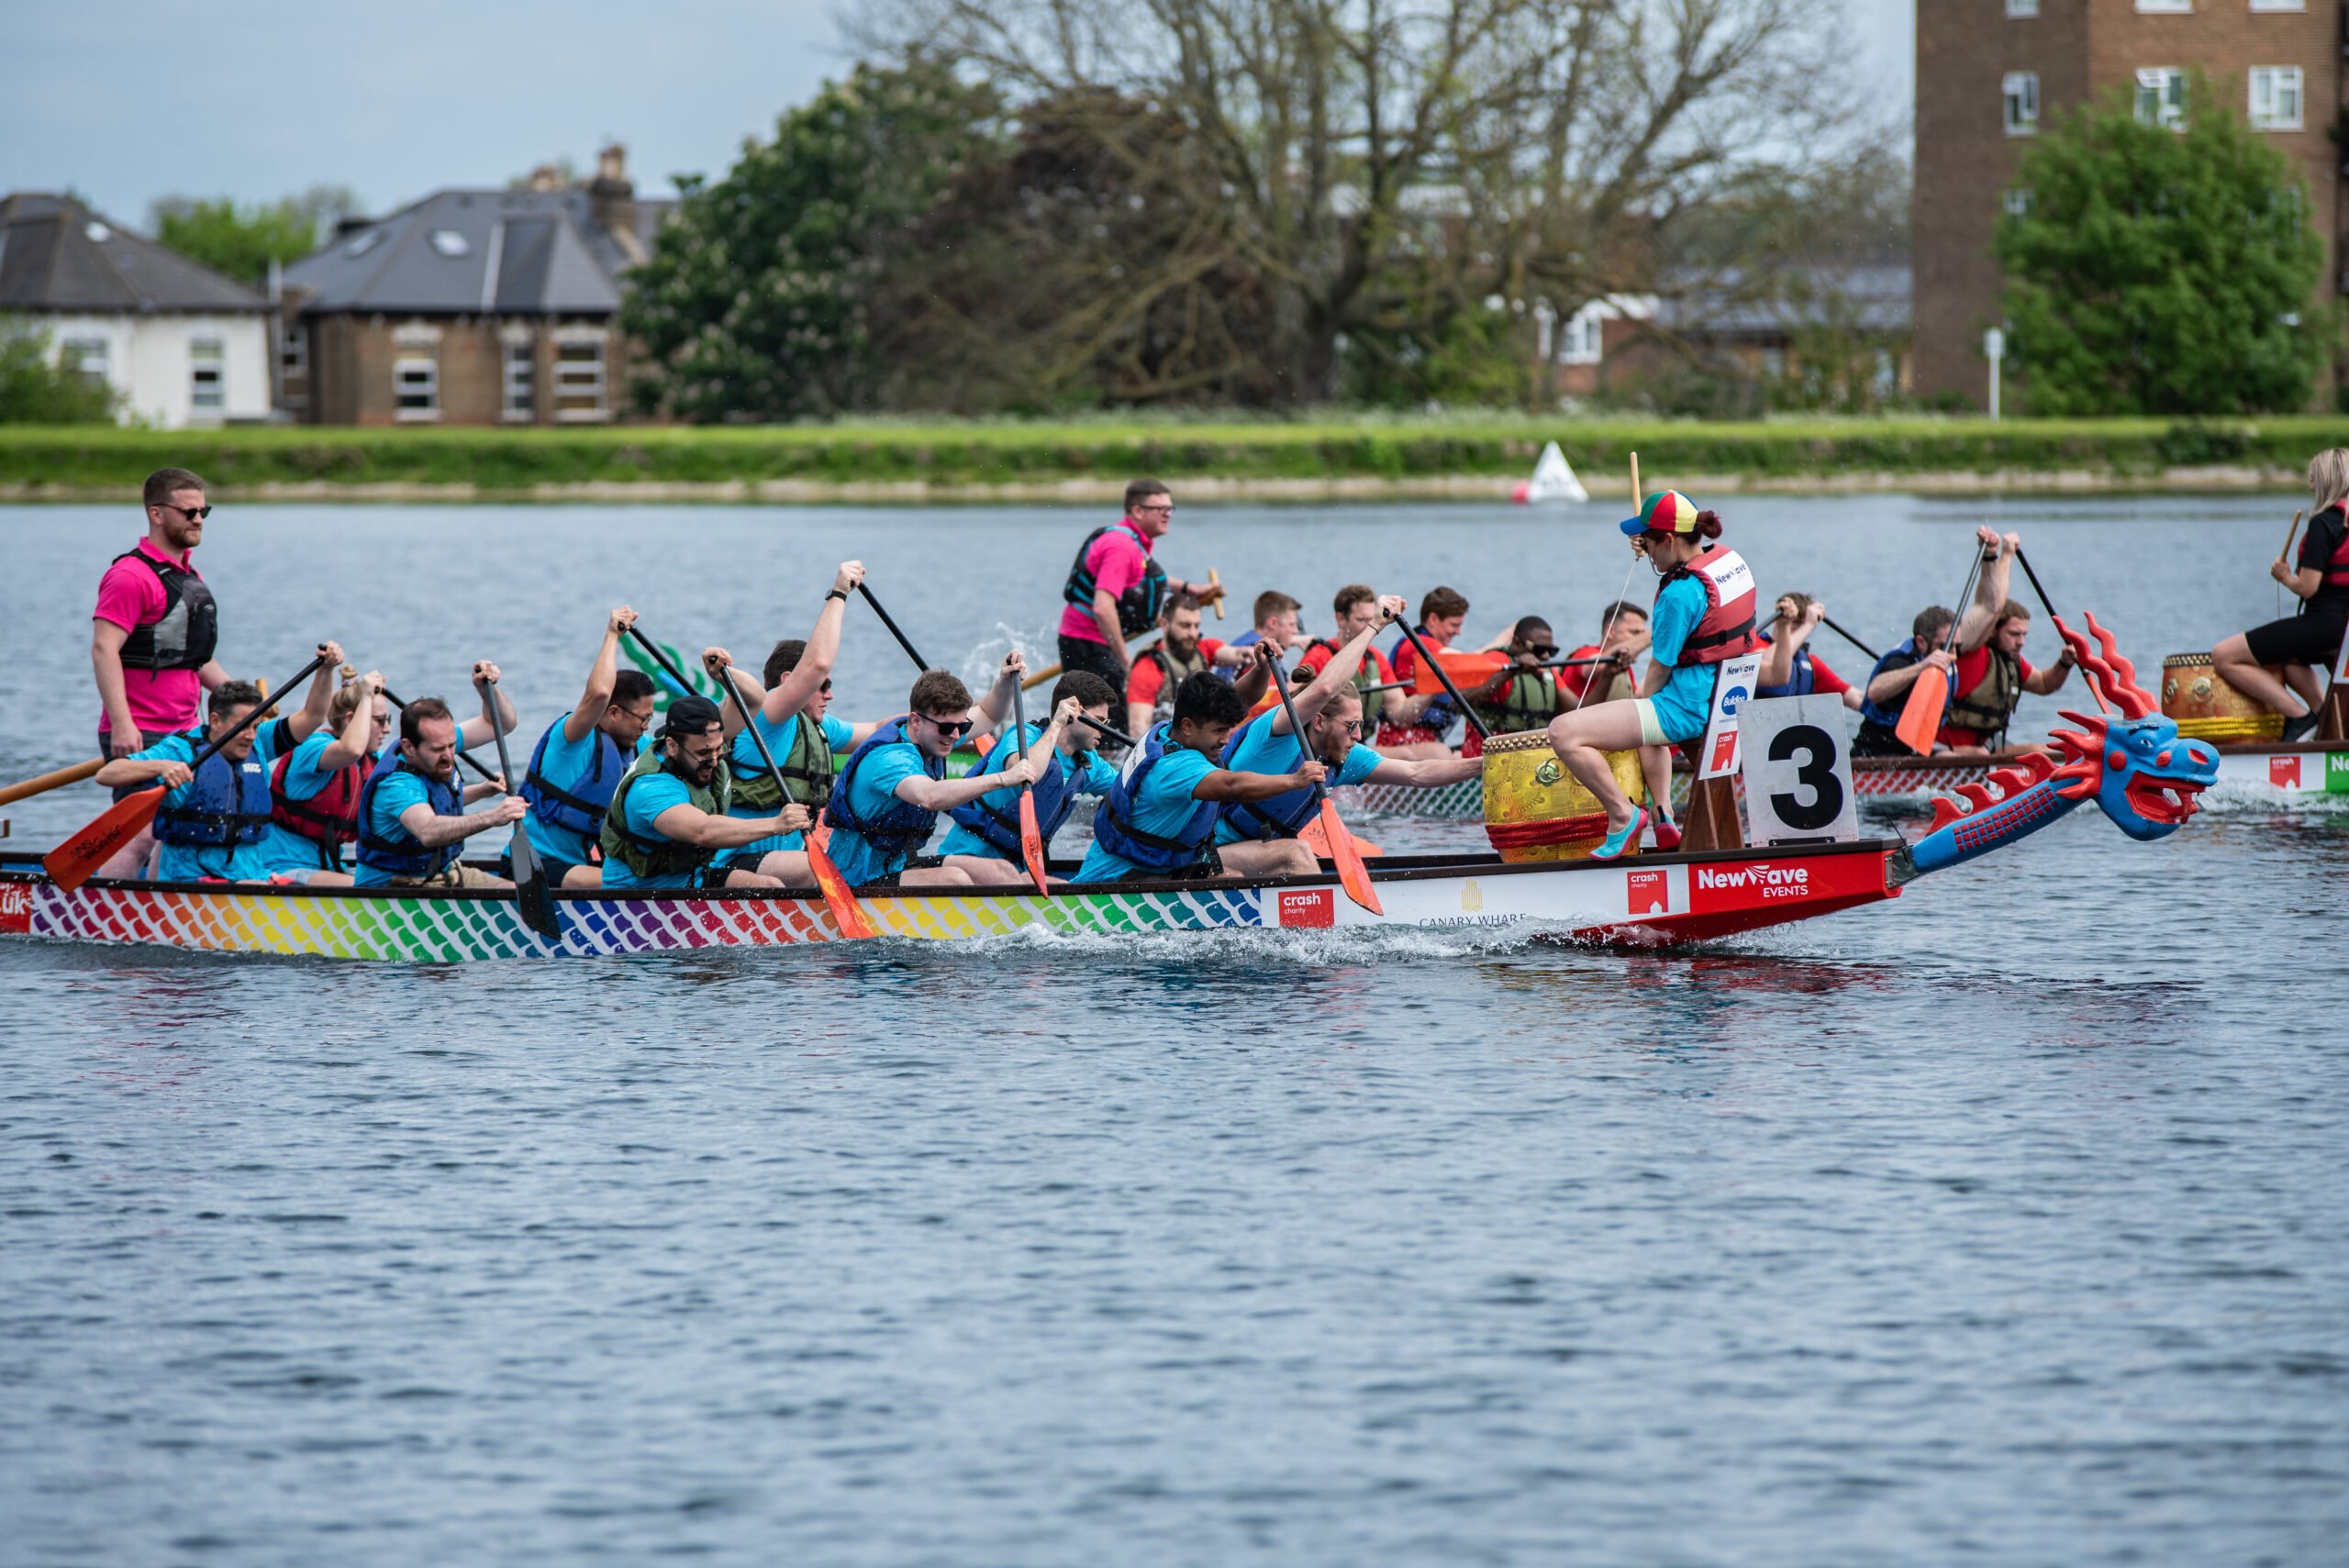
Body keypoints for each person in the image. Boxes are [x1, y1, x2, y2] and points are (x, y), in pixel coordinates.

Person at [1544, 491, 1759, 860]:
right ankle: (1664, 816)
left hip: (1688, 711)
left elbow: (1660, 665)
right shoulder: (1728, 563)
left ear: (1670, 539)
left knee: (1563, 732)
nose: (1646, 551)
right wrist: (1649, 542)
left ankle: (1623, 815)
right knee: (1641, 724)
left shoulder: (1678, 595)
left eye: (1649, 541)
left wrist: (1641, 704)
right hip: (1727, 699)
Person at [1215, 622, 1481, 878]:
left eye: (1361, 725)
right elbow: (1324, 689)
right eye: (1351, 725)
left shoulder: (1342, 757)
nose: (1358, 735)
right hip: (1205, 849)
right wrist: (1374, 626)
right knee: (1296, 853)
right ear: (1318, 721)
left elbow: (1416, 772)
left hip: (1251, 850)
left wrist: (1484, 763)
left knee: (1328, 855)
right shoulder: (1278, 733)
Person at [91, 467, 232, 877]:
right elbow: (104, 649)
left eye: (204, 511)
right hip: (140, 730)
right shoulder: (129, 576)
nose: (198, 520)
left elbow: (196, 659)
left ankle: (165, 910)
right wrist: (121, 723)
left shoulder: (189, 577)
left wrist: (241, 701)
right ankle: (101, 913)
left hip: (187, 730)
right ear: (157, 514)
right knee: (142, 834)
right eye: (188, 512)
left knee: (178, 830)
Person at [94, 654, 343, 884]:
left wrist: (326, 669)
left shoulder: (261, 742)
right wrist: (160, 766)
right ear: (215, 720)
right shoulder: (180, 750)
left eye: (256, 726)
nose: (250, 735)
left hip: (250, 874)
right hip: (192, 878)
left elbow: (313, 715)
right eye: (242, 726)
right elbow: (108, 774)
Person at [701, 562, 874, 886]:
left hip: (781, 862)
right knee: (821, 868)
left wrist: (951, 725)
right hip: (731, 862)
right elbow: (817, 663)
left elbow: (883, 729)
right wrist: (838, 593)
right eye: (823, 686)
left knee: (852, 859)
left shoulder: (818, 728)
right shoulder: (767, 720)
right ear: (790, 681)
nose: (831, 695)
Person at [1073, 667, 1326, 884]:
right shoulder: (1177, 768)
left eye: (1228, 730)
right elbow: (1232, 785)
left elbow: (1241, 700)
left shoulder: (1168, 732)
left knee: (1234, 877)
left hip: (1156, 865)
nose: (1226, 740)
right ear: (1188, 726)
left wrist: (1260, 668)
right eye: (1219, 731)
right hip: (1123, 878)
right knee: (1260, 870)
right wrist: (1293, 781)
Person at [823, 666, 1048, 889]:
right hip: (853, 879)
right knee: (955, 880)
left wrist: (1005, 682)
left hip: (897, 867)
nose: (956, 735)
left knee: (1000, 871)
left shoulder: (936, 735)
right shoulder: (890, 759)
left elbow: (989, 714)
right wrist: (1003, 778)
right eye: (948, 728)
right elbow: (929, 796)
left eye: (963, 726)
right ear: (916, 721)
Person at [511, 607, 660, 888]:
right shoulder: (573, 738)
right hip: (535, 865)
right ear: (613, 712)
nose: (646, 726)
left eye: (650, 718)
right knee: (630, 883)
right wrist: (612, 636)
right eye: (643, 718)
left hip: (589, 863)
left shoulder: (640, 746)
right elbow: (599, 693)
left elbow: (698, 744)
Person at [596, 695, 807, 889]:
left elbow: (753, 700)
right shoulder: (651, 788)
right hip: (639, 893)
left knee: (769, 887)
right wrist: (776, 824)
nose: (714, 761)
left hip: (691, 877)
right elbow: (702, 831)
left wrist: (720, 670)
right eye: (704, 753)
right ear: (672, 746)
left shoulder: (701, 748)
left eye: (718, 750)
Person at [2215, 449, 2349, 742]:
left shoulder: (2324, 523)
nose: (2310, 484)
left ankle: (2299, 717)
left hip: (2324, 625)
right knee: (2290, 659)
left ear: (2328, 480)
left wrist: (2285, 576)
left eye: (2314, 478)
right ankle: (2325, 720)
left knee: (2224, 655)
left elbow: (2308, 587)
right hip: (2344, 629)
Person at [940, 673, 1119, 884]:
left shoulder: (1089, 763)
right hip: (966, 859)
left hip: (1020, 870)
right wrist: (1057, 725)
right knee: (1010, 875)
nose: (1105, 730)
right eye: (1099, 721)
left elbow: (1132, 790)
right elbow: (1023, 771)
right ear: (1074, 713)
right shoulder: (1023, 736)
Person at [354, 671, 526, 889]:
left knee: (515, 895)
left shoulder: (436, 743)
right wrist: (493, 817)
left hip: (445, 872)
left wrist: (486, 690)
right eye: (438, 749)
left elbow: (503, 723)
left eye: (452, 745)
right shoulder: (397, 785)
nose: (448, 755)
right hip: (397, 887)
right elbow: (428, 830)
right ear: (409, 747)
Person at [1057, 479, 1226, 701]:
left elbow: (1145, 578)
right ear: (1137, 510)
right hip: (1086, 643)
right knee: (1108, 718)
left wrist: (1188, 588)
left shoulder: (1132, 540)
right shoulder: (1121, 547)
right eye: (1160, 509)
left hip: (1094, 640)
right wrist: (1125, 660)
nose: (1168, 514)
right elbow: (1103, 608)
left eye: (1170, 508)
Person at [261, 667, 389, 885]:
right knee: (372, 886)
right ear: (350, 720)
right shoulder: (312, 749)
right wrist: (366, 695)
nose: (387, 729)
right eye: (380, 720)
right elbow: (351, 749)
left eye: (389, 719)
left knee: (398, 880)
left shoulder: (371, 759)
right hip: (281, 868)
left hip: (328, 867)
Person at [1298, 585, 1448, 759]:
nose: (1370, 627)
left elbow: (1400, 714)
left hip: (1357, 745)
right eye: (1362, 620)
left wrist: (1434, 686)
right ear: (1341, 619)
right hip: (1323, 749)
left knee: (1439, 751)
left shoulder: (1376, 659)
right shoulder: (1318, 656)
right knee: (1408, 756)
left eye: (1372, 619)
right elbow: (1293, 708)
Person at [1125, 592, 1250, 736]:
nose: (1193, 633)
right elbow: (1137, 728)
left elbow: (1236, 654)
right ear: (1164, 624)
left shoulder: (1204, 648)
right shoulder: (1148, 667)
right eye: (1185, 626)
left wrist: (1256, 653)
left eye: (1196, 626)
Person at [1854, 606, 1959, 757]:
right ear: (1921, 642)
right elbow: (1874, 691)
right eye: (1944, 647)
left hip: (1913, 753)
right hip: (1875, 754)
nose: (1953, 654)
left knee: (1951, 756)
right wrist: (1923, 666)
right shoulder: (1900, 661)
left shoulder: (1949, 665)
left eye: (1957, 646)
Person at [1380, 586, 1469, 751]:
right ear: (1434, 619)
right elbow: (1465, 662)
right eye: (1454, 625)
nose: (1459, 632)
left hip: (1423, 742)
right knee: (1442, 753)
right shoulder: (1416, 646)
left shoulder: (1430, 646)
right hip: (1398, 744)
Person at [1462, 616, 1564, 746]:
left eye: (1551, 651)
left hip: (1530, 755)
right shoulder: (1495, 660)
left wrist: (1600, 681)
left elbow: (1577, 710)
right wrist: (1512, 672)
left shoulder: (1547, 670)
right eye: (1539, 650)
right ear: (1516, 643)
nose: (1546, 656)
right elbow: (1458, 702)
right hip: (1488, 755)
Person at [1754, 594, 1864, 711]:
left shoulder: (1811, 664)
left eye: (1802, 624)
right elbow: (1771, 665)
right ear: (1776, 621)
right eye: (1795, 622)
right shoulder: (1755, 645)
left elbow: (1856, 698)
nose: (1799, 630)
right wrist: (1808, 625)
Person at [1222, 589, 1307, 672]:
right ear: (1273, 623)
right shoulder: (1260, 654)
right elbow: (1279, 686)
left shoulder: (1245, 644)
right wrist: (1312, 657)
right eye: (1291, 625)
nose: (1296, 631)